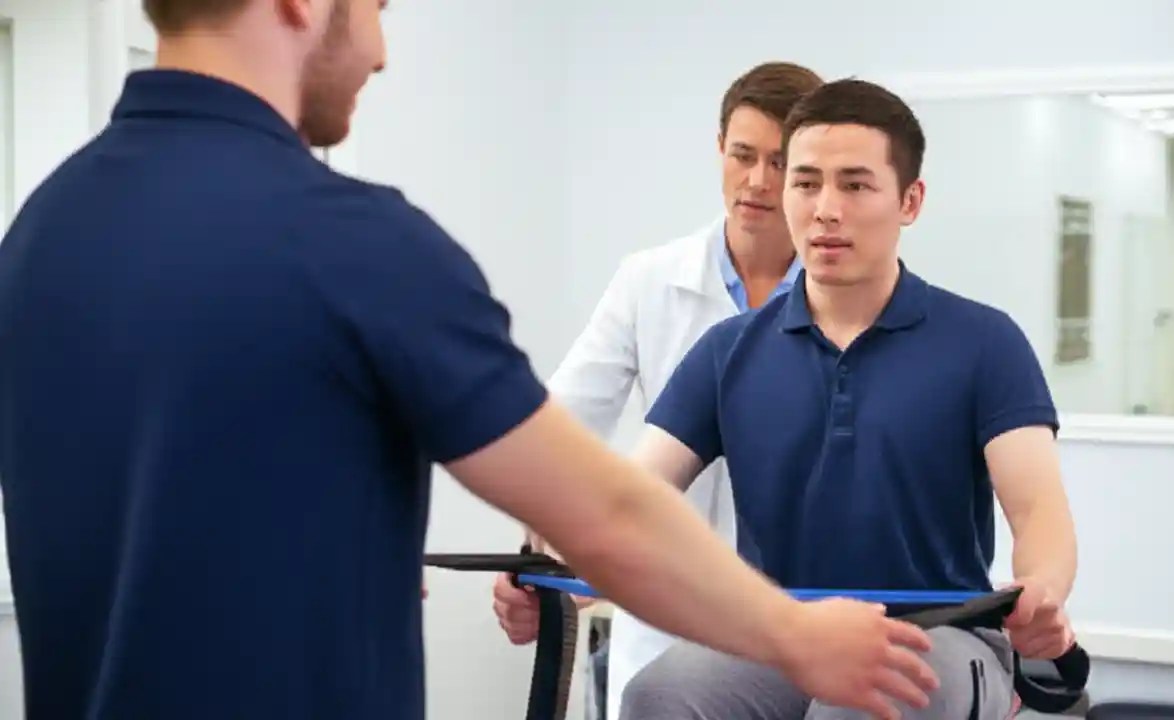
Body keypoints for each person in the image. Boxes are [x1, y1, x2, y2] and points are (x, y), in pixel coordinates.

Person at [0, 2, 941, 719]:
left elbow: (171, 487)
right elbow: (601, 505)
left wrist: (349, 552)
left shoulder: (41, 233)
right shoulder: (359, 247)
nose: (379, 47)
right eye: (372, 4)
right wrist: (795, 634)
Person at [616, 78, 1079, 720]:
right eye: (806, 183)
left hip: (940, 634)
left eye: (855, 185)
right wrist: (543, 568)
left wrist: (1044, 593)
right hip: (779, 634)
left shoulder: (984, 341)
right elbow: (628, 499)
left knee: (859, 705)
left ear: (910, 200)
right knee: (658, 694)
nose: (825, 209)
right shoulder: (728, 351)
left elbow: (1039, 515)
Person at [491, 60, 824, 718]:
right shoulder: (649, 282)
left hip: (802, 626)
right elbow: (557, 429)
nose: (757, 181)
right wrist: (536, 557)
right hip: (665, 624)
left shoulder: (844, 297)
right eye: (742, 155)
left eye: (781, 162)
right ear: (718, 149)